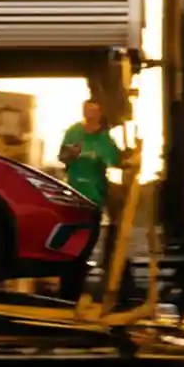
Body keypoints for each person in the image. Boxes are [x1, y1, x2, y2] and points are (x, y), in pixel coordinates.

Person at [56, 98, 130, 301]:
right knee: (71, 242)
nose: (90, 115)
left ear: (99, 114)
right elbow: (62, 156)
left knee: (88, 241)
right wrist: (71, 153)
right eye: (87, 110)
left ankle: (77, 287)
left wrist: (129, 159)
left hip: (95, 198)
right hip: (74, 196)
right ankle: (68, 290)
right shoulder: (73, 132)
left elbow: (116, 161)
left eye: (94, 111)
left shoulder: (105, 139)